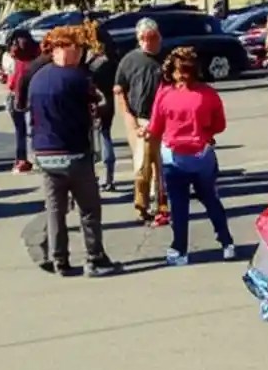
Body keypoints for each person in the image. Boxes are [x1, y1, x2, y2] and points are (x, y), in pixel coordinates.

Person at [27, 25, 120, 278]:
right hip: (74, 152)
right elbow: (99, 104)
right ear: (63, 49)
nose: (80, 53)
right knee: (89, 209)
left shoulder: (37, 78)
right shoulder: (78, 79)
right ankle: (94, 258)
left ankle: (60, 260)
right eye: (77, 48)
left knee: (55, 210)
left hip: (45, 153)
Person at [144, 46, 235, 265]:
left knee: (179, 206)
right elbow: (220, 125)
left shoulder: (165, 94)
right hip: (201, 155)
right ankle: (226, 242)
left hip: (174, 157)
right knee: (211, 199)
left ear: (172, 71)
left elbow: (155, 127)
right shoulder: (208, 94)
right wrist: (205, 132)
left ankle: (180, 249)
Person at [113, 17, 169, 225]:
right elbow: (119, 90)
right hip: (141, 120)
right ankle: (141, 205)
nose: (147, 42)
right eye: (143, 38)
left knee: (162, 168)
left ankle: (161, 206)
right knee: (142, 167)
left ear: (158, 37)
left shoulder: (167, 59)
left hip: (165, 121)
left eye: (151, 37)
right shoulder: (129, 60)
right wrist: (129, 118)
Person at [82, 20, 118, 191]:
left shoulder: (88, 59)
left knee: (89, 141)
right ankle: (109, 177)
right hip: (108, 98)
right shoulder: (110, 56)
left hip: (91, 100)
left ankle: (90, 177)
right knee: (106, 136)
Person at [4, 28, 40, 174]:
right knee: (34, 128)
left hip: (16, 95)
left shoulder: (15, 57)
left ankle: (21, 159)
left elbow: (12, 80)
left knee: (20, 131)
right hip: (33, 95)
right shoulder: (36, 56)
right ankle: (36, 157)